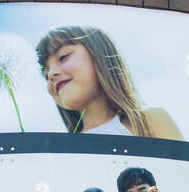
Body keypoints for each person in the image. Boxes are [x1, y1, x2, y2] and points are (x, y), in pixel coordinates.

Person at [36, 27, 181, 139]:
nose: (51, 74)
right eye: (45, 73)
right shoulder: (65, 148)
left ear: (99, 55)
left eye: (63, 57)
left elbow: (184, 173)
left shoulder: (148, 121)